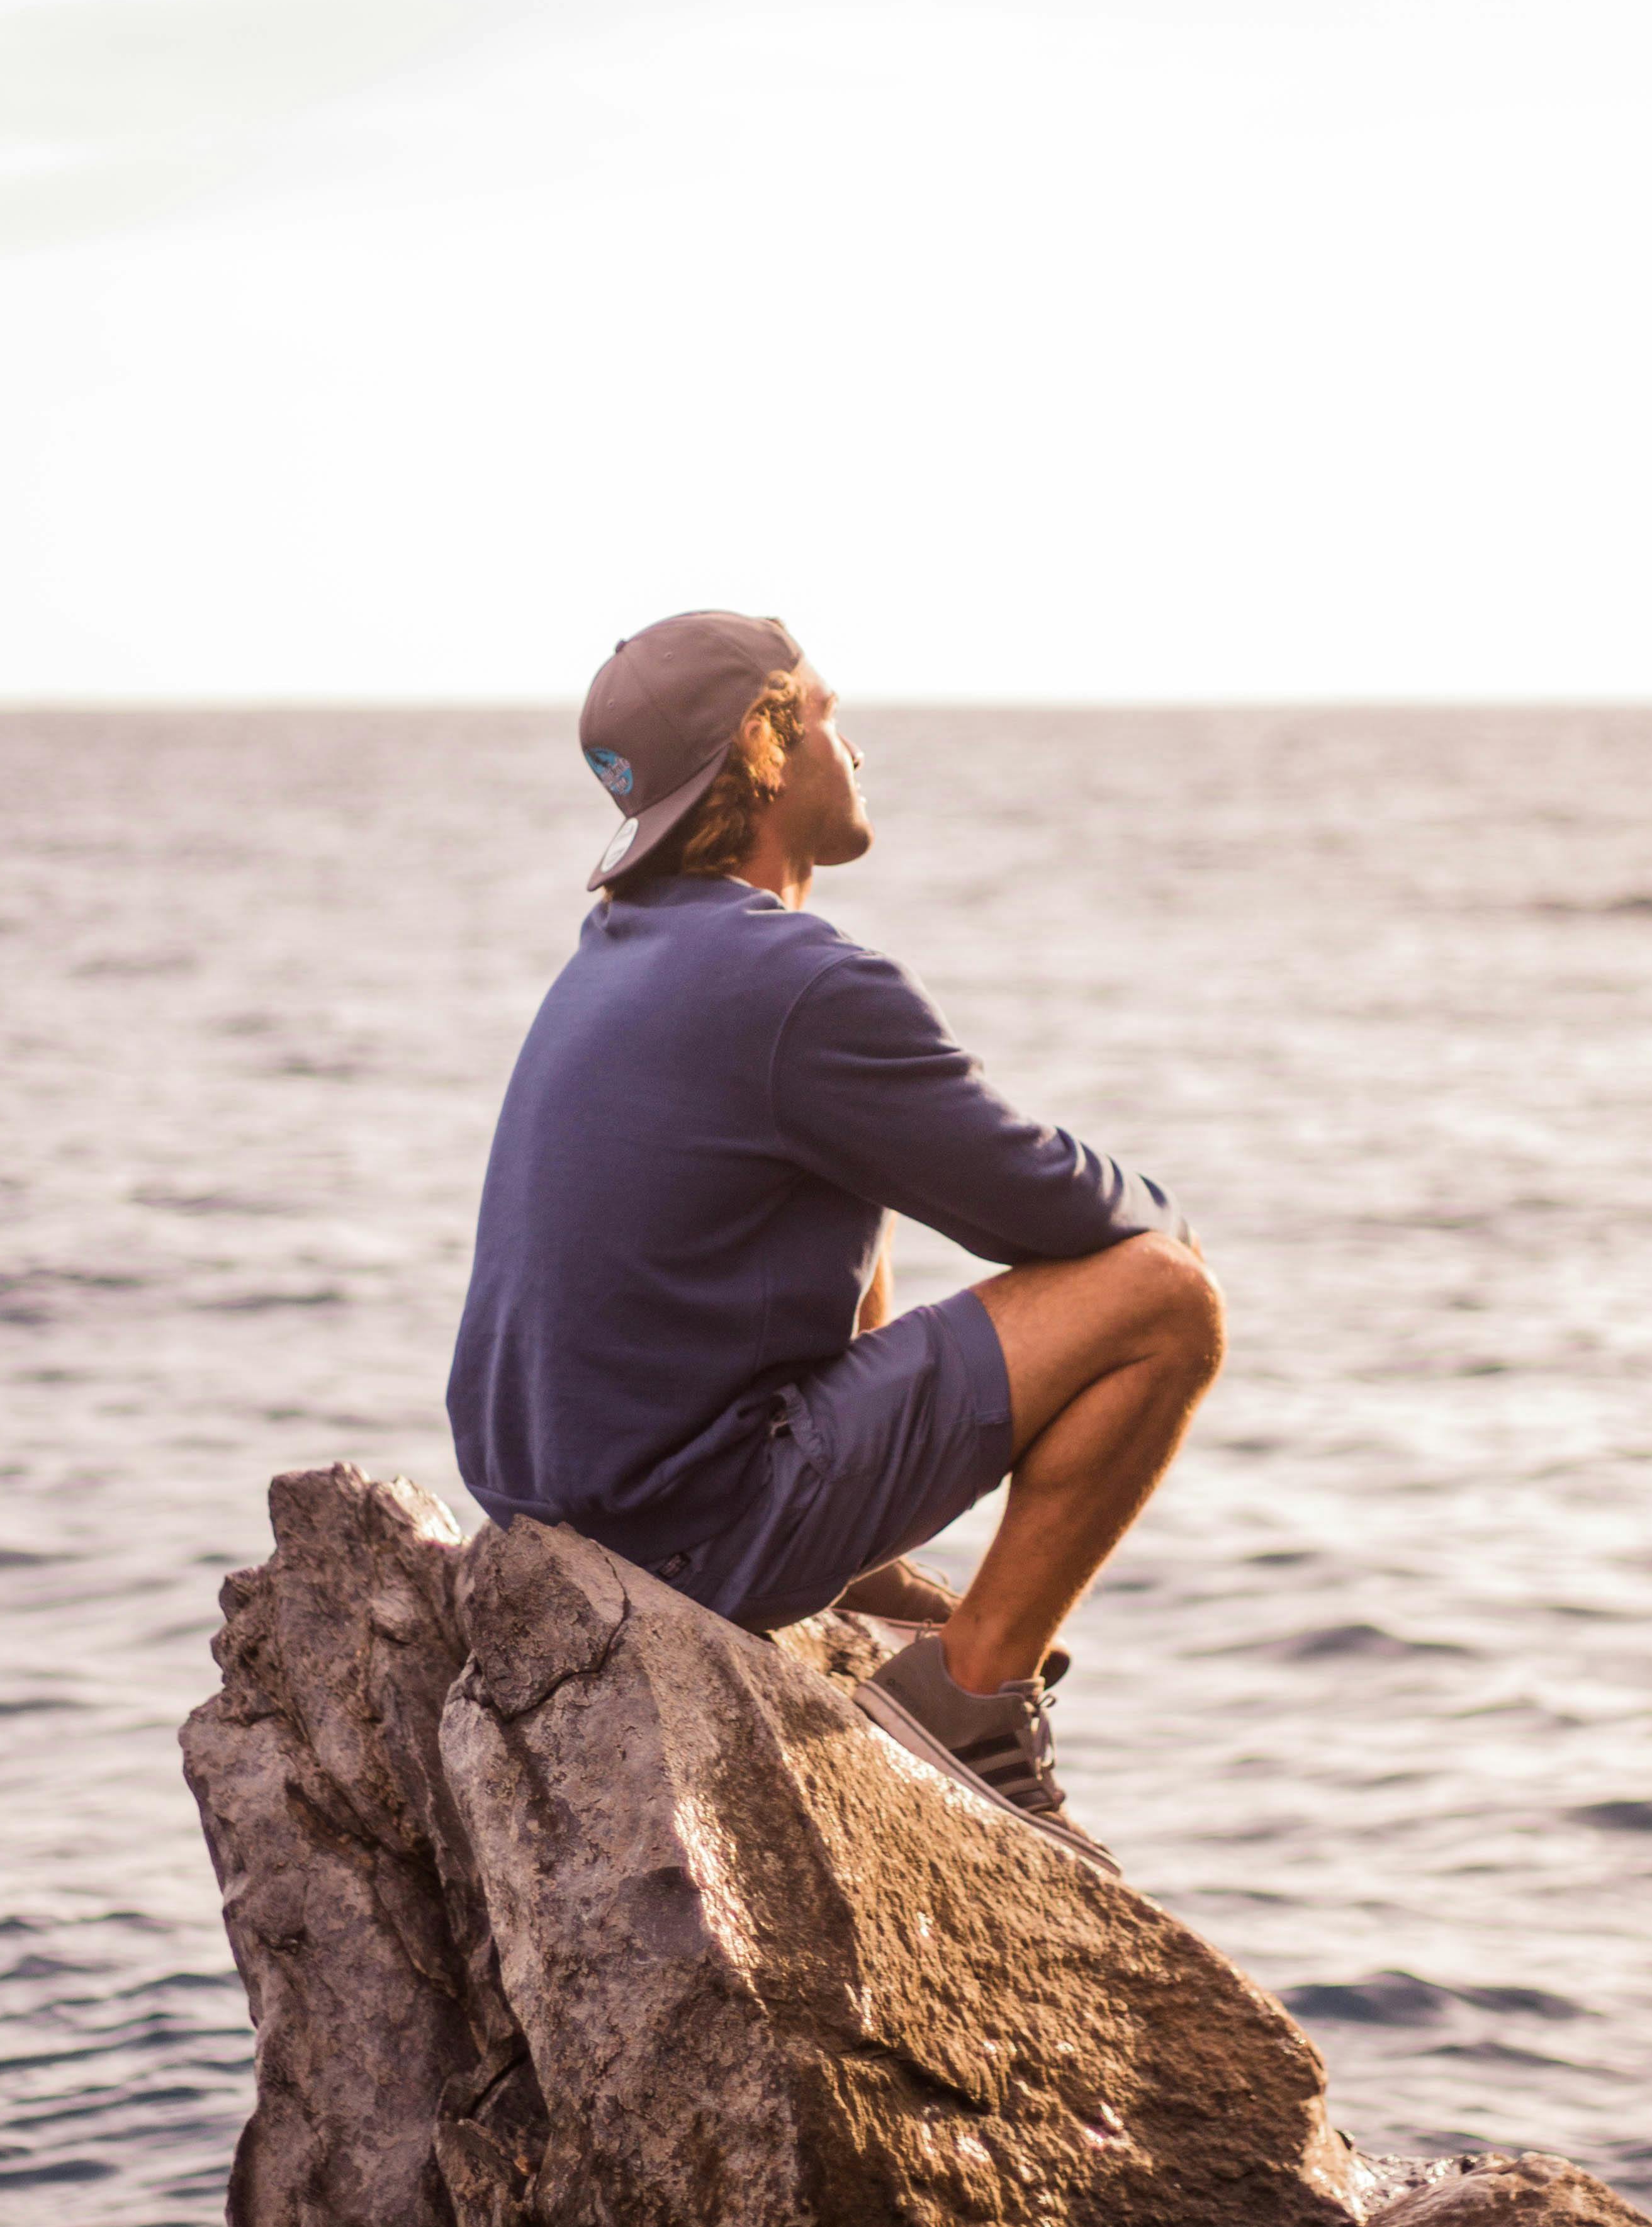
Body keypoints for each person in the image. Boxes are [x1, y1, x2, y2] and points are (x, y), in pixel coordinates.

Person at [446, 609, 1224, 1870]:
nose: (853, 749)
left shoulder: (618, 954)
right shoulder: (796, 983)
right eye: (825, 718)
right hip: (681, 1531)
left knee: (844, 1179)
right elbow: (1053, 1208)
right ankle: (968, 1704)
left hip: (549, 1510)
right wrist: (1167, 1218)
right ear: (764, 742)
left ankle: (872, 1567)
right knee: (1164, 1300)